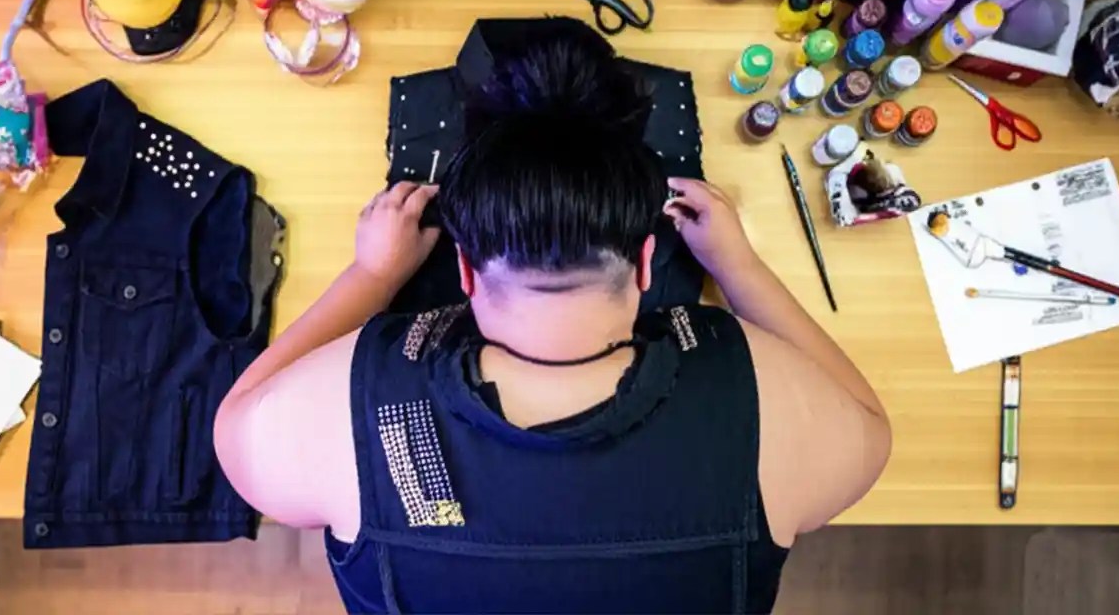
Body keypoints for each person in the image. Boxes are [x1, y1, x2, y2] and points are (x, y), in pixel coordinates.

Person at [214, 32, 892, 614]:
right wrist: (739, 267)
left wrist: (370, 277)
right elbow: (868, 427)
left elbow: (236, 427)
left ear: (465, 270)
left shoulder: (359, 406)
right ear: (647, 261)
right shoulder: (749, 395)